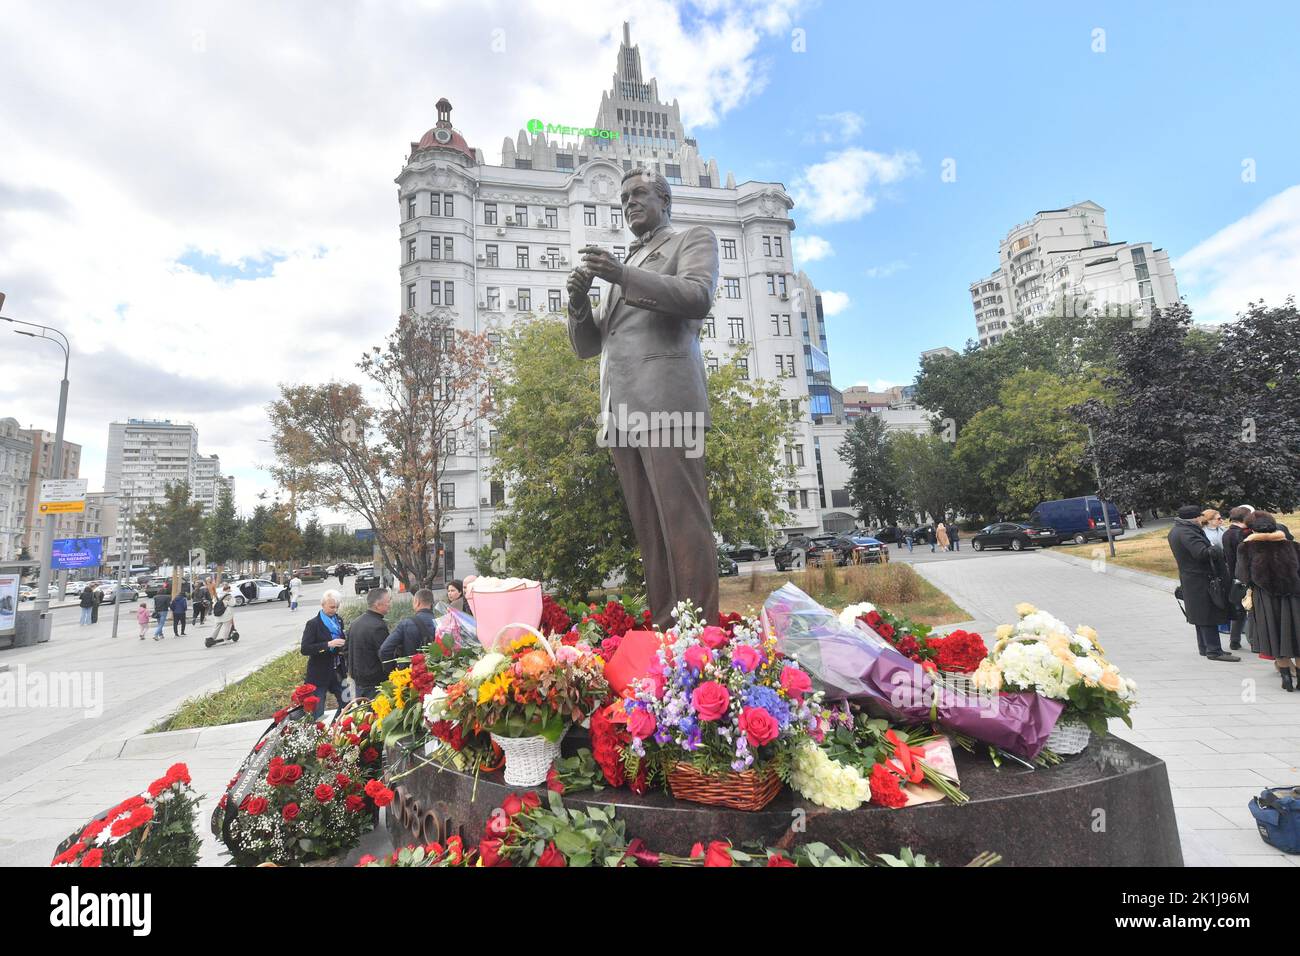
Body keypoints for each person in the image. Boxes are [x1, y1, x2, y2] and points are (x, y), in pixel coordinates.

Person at [567, 167, 720, 630]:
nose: (629, 203)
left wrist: (621, 273)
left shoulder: (691, 238)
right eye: (624, 198)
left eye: (638, 195)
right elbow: (589, 346)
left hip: (668, 404)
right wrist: (578, 302)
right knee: (650, 531)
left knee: (683, 524)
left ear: (664, 200)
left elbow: (697, 296)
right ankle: (665, 632)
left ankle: (701, 639)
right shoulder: (625, 269)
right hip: (619, 411)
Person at [1234, 511, 1300, 691]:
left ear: (1252, 528)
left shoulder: (1246, 548)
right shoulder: (1293, 546)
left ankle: (1286, 678)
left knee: (1275, 636)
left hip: (1266, 600)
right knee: (1297, 635)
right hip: (1294, 598)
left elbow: (1243, 576)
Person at [1167, 504, 1237, 662]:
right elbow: (1201, 553)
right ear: (1195, 517)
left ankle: (1205, 648)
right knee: (1208, 614)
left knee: (1200, 614)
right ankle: (1214, 651)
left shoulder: (1178, 530)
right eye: (1200, 516)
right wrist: (1217, 549)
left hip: (1192, 579)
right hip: (1201, 579)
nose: (1202, 519)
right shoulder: (1187, 532)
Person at [300, 589, 348, 719]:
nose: (335, 610)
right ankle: (318, 734)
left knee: (347, 702)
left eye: (337, 607)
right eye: (332, 607)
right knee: (317, 710)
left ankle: (335, 727)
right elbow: (305, 649)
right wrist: (328, 645)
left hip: (338, 670)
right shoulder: (313, 624)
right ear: (323, 605)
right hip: (319, 673)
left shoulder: (338, 620)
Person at [347, 587, 391, 700]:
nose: (390, 604)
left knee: (364, 715)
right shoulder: (378, 626)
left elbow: (346, 650)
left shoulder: (355, 623)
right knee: (374, 716)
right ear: (377, 604)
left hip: (358, 681)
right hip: (374, 684)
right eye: (388, 601)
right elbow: (385, 655)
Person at [378, 588, 439, 669]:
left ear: (417, 602)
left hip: (410, 674)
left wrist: (394, 670)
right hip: (436, 674)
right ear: (431, 604)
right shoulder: (441, 623)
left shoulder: (406, 624)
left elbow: (385, 650)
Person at [1222, 506, 1253, 651]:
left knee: (1239, 609)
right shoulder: (1242, 534)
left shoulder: (1227, 533)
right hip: (1245, 575)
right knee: (1252, 608)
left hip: (1233, 575)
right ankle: (1254, 640)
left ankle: (1234, 640)